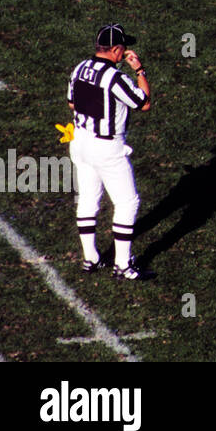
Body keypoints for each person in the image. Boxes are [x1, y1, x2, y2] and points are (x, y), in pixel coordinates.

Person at [66, 23, 151, 280]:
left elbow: (71, 102)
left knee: (89, 199)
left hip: (79, 141)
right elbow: (143, 103)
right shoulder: (115, 77)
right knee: (127, 202)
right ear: (115, 50)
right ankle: (123, 264)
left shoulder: (79, 67)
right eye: (123, 48)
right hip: (107, 146)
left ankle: (90, 257)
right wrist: (139, 70)